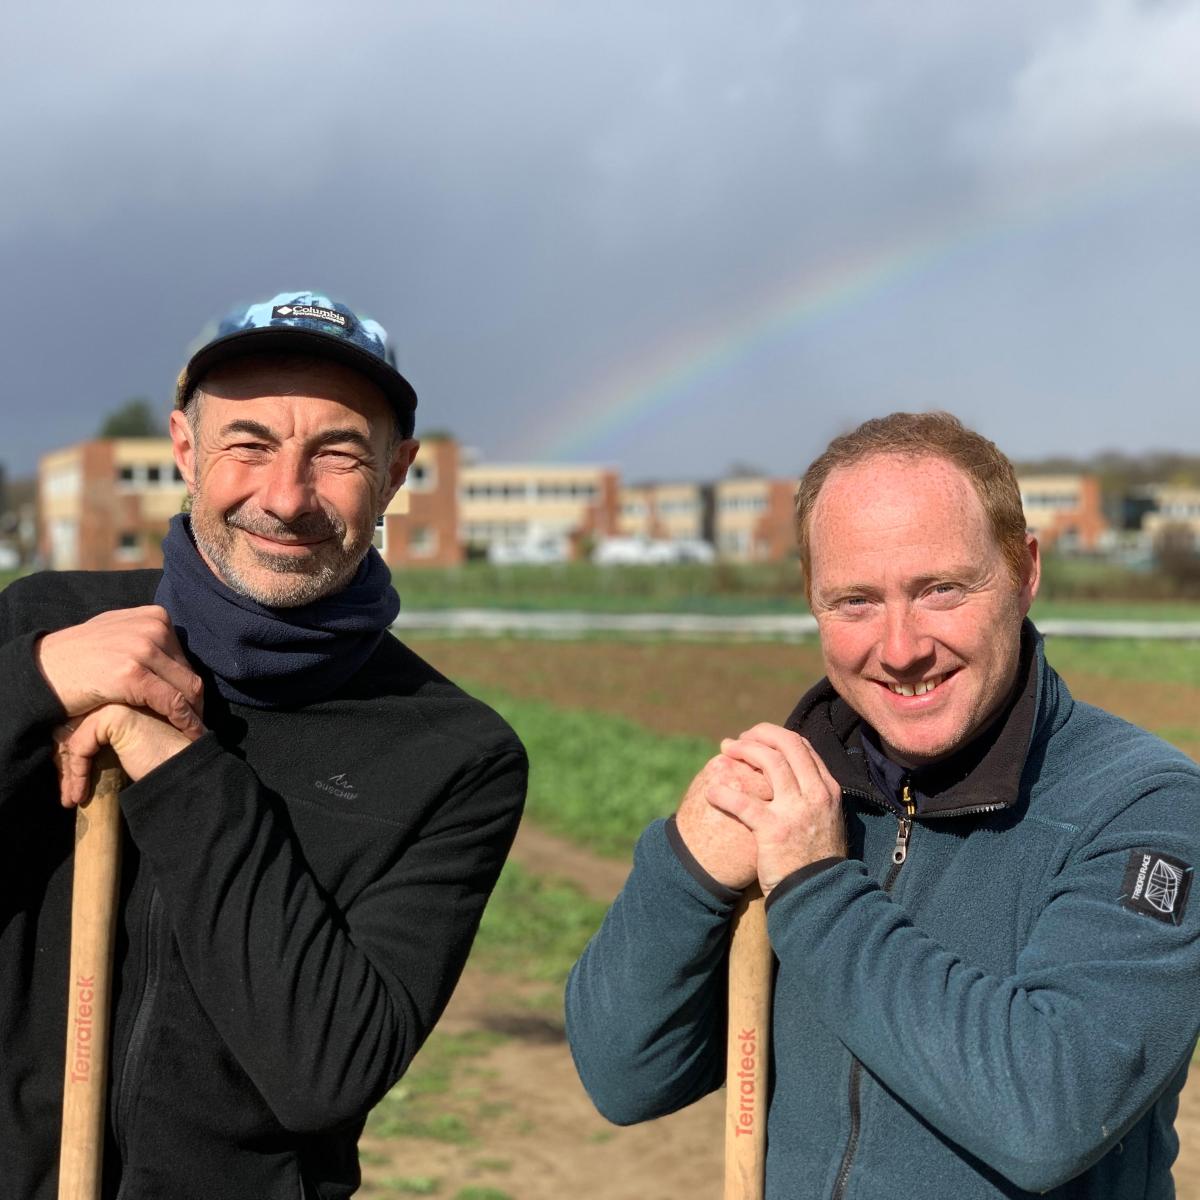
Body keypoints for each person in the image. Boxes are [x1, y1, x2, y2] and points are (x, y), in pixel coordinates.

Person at [566, 412, 1200, 1199]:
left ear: (1025, 569)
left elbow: (1054, 1113)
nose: (901, 649)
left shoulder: (1142, 806)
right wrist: (686, 870)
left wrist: (817, 892)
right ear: (811, 599)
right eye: (855, 601)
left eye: (940, 590)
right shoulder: (799, 798)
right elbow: (624, 1077)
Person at [0, 291, 527, 1199]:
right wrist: (32, 682)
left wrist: (178, 763)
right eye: (249, 443)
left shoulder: (453, 754)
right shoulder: (44, 622)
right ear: (183, 449)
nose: (286, 497)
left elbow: (327, 1071)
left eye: (338, 453)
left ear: (397, 472)